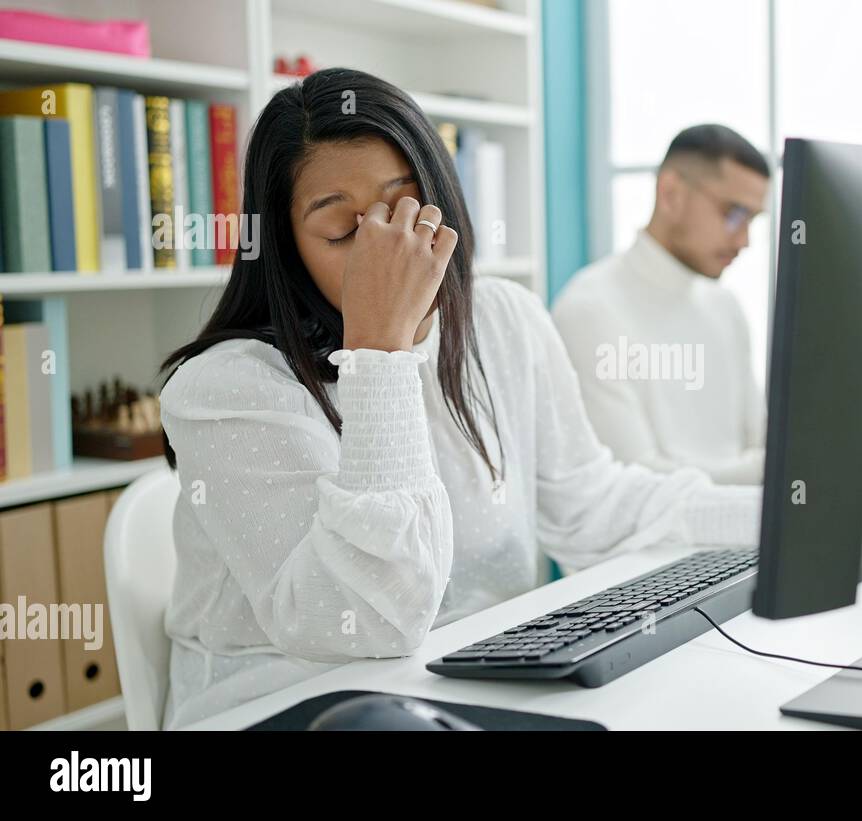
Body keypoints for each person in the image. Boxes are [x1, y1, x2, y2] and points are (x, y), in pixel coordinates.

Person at [156, 69, 759, 730]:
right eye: (340, 231)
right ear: (287, 248)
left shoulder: (504, 319)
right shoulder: (226, 389)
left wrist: (788, 520)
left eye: (406, 210)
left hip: (468, 688)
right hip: (297, 707)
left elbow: (597, 505)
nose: (387, 249)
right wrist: (379, 348)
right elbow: (378, 617)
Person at [552, 125, 769, 485]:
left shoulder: (726, 306)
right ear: (671, 193)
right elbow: (634, 482)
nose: (745, 240)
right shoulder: (589, 309)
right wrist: (773, 473)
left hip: (740, 529)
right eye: (733, 214)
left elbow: (761, 443)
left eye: (752, 220)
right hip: (656, 539)